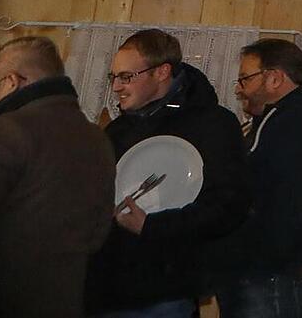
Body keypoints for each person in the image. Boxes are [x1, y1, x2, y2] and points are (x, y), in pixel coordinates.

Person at [88, 27, 253, 318]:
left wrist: (153, 226)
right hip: (109, 288)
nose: (116, 87)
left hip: (166, 289)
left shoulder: (211, 125)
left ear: (162, 72)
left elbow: (229, 205)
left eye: (127, 77)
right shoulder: (118, 130)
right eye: (113, 77)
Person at [0, 34, 115, 317]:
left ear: (13, 82)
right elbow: (99, 232)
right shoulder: (97, 139)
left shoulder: (5, 131)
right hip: (66, 300)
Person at [218, 39, 302, 318]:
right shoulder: (281, 120)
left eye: (245, 79)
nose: (239, 89)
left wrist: (256, 257)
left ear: (274, 78)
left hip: (274, 275)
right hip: (273, 271)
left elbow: (287, 201)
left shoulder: (298, 122)